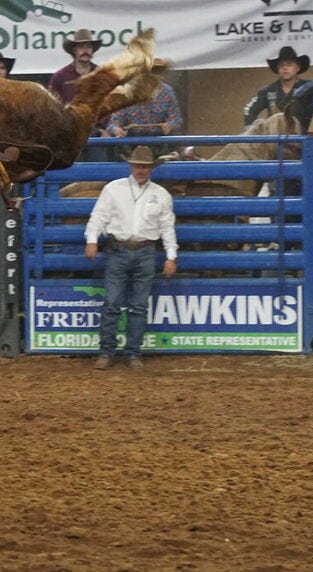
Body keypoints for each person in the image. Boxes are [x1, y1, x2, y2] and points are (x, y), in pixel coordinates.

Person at [84, 146, 177, 370]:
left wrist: (171, 256)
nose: (140, 170)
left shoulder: (161, 195)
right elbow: (98, 217)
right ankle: (108, 351)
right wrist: (92, 239)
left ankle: (131, 352)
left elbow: (167, 227)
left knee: (138, 306)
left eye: (144, 167)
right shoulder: (113, 189)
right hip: (119, 248)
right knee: (113, 303)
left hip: (145, 251)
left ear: (150, 169)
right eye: (137, 166)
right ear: (131, 166)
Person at [49, 29, 110, 161]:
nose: (85, 50)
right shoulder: (60, 77)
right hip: (70, 134)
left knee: (97, 177)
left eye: (88, 46)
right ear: (74, 50)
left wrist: (106, 129)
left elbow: (110, 103)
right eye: (81, 46)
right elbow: (52, 107)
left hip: (97, 133)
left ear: (93, 50)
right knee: (70, 176)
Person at [105, 60, 182, 159]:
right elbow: (113, 124)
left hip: (159, 143)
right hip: (131, 144)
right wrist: (117, 130)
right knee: (116, 144)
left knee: (175, 138)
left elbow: (176, 118)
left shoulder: (167, 92)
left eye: (157, 72)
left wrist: (170, 125)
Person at [243, 46, 313, 132]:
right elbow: (249, 110)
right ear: (278, 69)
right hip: (274, 140)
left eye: (289, 64)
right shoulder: (267, 91)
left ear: (297, 67)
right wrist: (251, 130)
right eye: (281, 65)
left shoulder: (309, 88)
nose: (285, 68)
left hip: (301, 139)